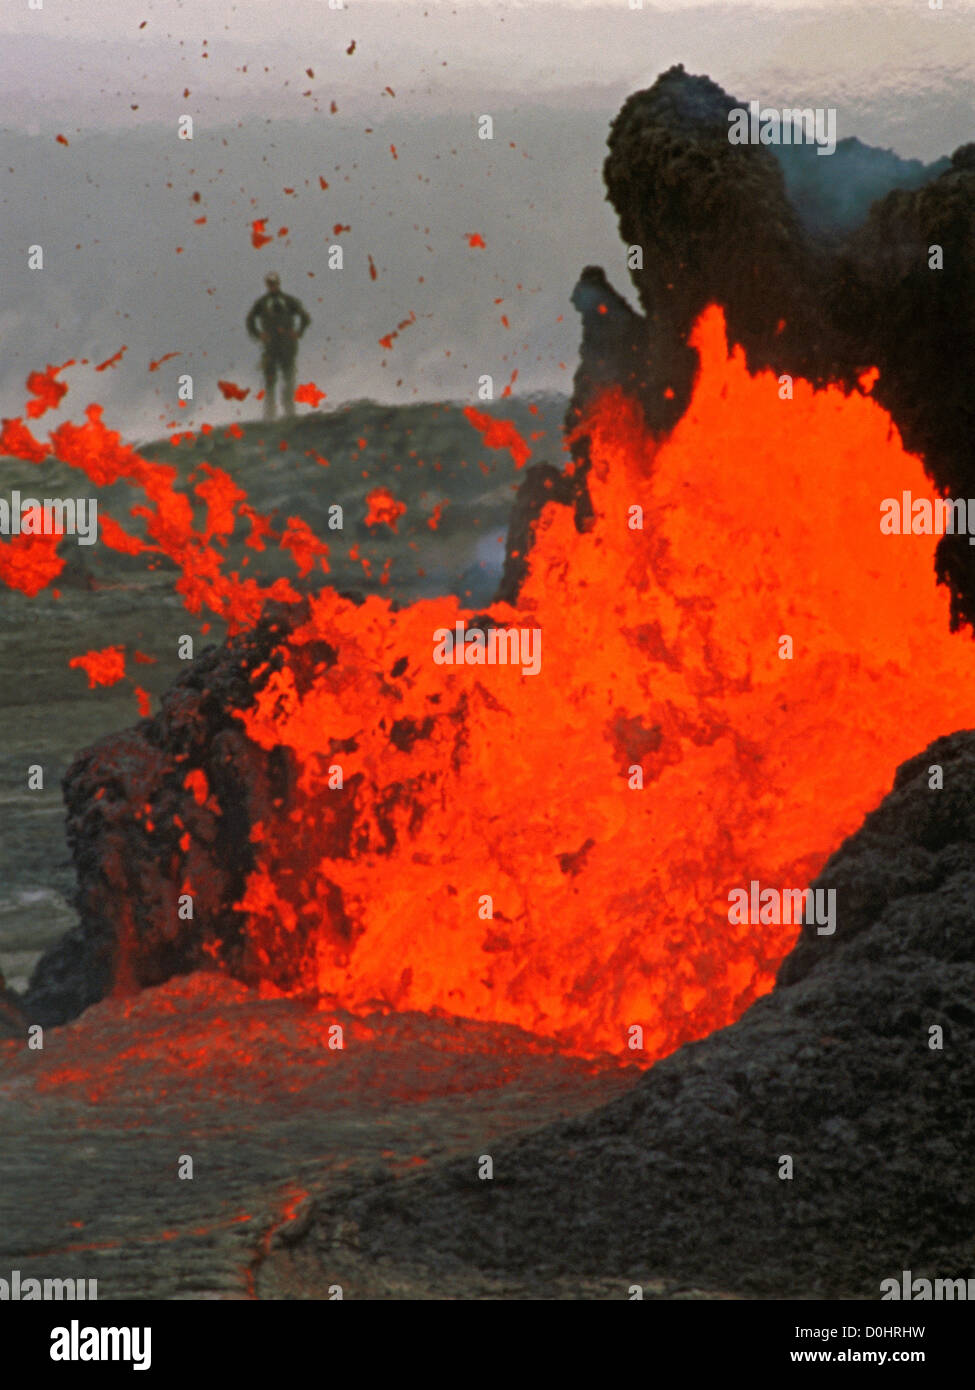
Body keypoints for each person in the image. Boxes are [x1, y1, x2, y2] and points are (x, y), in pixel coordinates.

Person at [245, 272, 311, 420]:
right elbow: (249, 320)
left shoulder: (288, 301)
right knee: (270, 380)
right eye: (270, 284)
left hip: (287, 345)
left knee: (288, 378)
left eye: (274, 283)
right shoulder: (262, 303)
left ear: (278, 284)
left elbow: (305, 317)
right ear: (267, 285)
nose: (272, 286)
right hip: (271, 346)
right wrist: (258, 334)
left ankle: (290, 413)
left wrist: (298, 332)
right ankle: (269, 416)